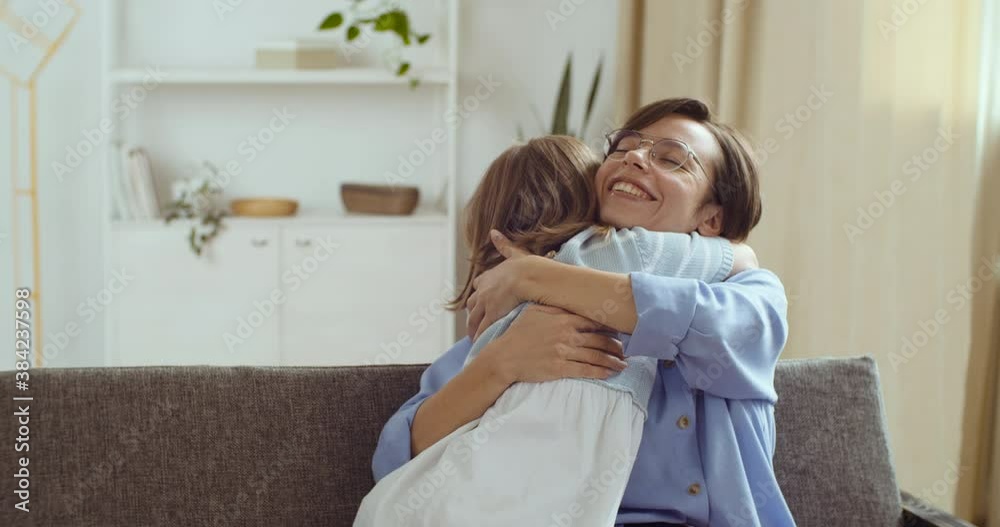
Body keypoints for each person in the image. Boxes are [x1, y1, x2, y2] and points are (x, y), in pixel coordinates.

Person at [372, 98, 795, 527]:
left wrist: (531, 274)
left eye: (671, 158)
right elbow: (401, 455)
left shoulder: (750, 292)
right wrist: (503, 363)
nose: (635, 156)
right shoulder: (520, 316)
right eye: (623, 147)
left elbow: (707, 326)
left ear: (711, 219)